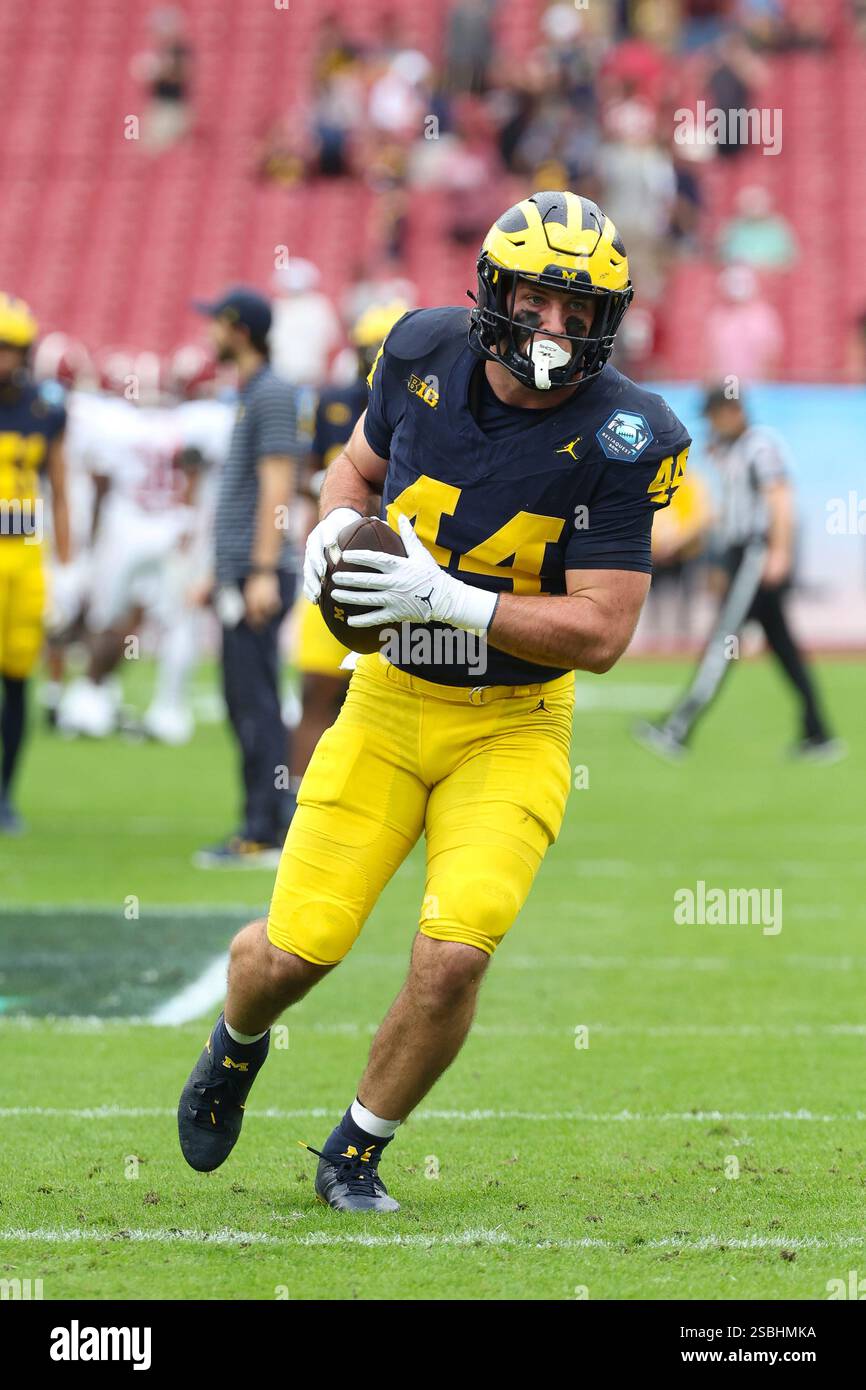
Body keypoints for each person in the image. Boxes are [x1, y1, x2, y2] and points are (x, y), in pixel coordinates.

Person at [177, 191, 691, 1211]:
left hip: (512, 722)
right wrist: (328, 530)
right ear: (494, 292)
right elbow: (353, 472)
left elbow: (600, 632)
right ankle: (234, 1047)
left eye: (579, 310)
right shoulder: (417, 350)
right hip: (389, 701)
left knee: (453, 954)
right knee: (292, 954)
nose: (555, 327)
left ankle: (356, 1147)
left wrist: (451, 598)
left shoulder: (630, 433)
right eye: (538, 302)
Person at [634, 386, 842, 761]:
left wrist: (778, 553)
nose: (712, 425)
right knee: (783, 648)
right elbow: (723, 513)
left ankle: (677, 728)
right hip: (743, 554)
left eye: (715, 416)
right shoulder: (732, 452)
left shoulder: (759, 446)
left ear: (730, 412)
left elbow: (780, 497)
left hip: (756, 553)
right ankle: (819, 734)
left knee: (721, 642)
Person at [191, 288, 304, 866]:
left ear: (239, 330)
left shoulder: (272, 394)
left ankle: (265, 826)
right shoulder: (252, 393)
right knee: (245, 700)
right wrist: (222, 571)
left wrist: (260, 569)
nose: (209, 332)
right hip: (243, 572)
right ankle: (267, 818)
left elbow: (278, 488)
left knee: (254, 701)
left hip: (261, 573)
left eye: (216, 323)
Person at [0, 294, 70, 832]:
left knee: (17, 676)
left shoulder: (44, 408)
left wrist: (68, 566)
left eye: (10, 349)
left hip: (23, 553)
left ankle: (4, 793)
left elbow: (60, 489)